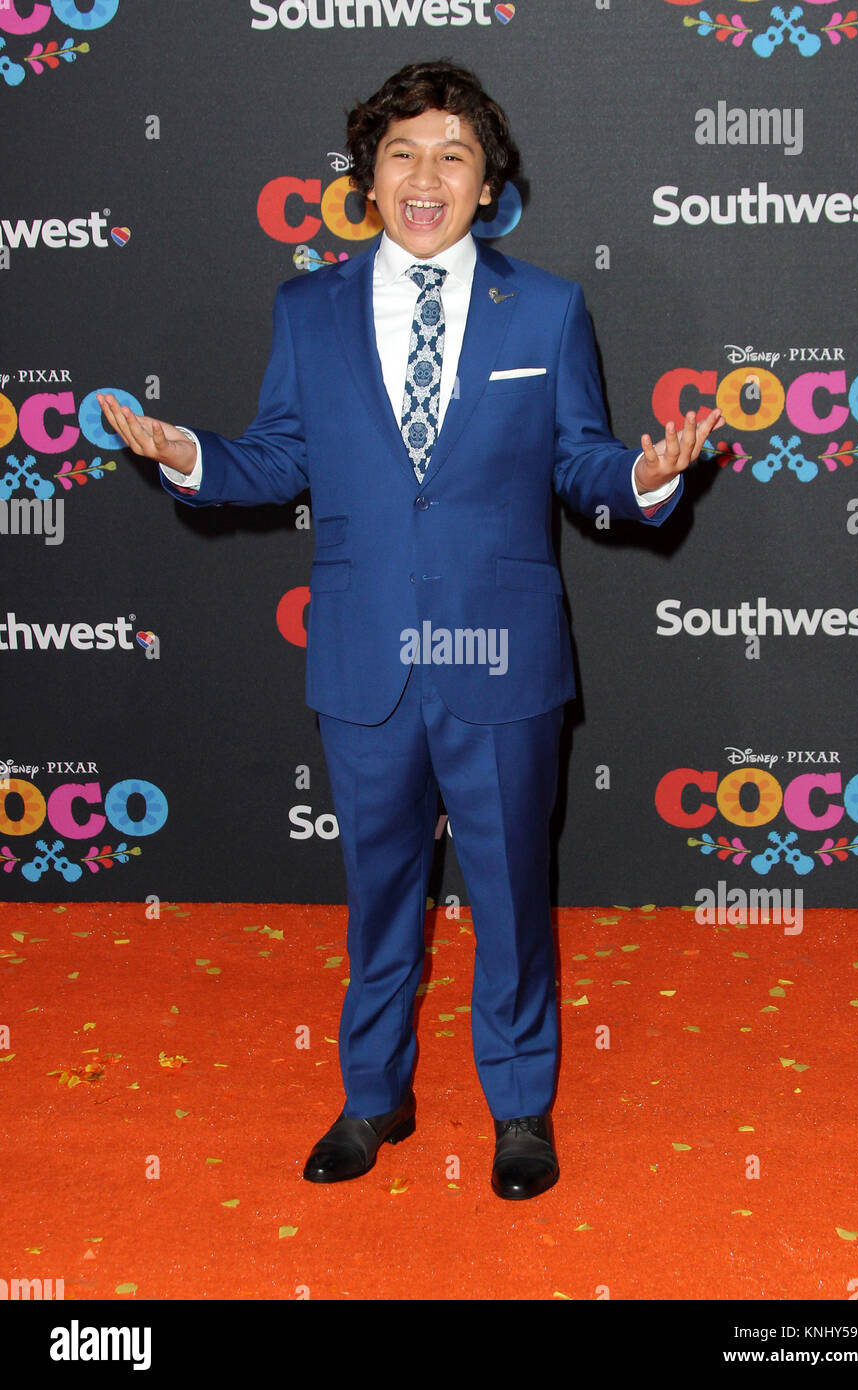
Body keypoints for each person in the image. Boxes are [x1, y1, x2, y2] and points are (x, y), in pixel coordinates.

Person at [97, 59, 723, 1202]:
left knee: (508, 895)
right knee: (379, 891)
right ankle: (372, 1093)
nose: (424, 177)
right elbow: (278, 454)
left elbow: (579, 457)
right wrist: (186, 452)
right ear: (366, 180)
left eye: (452, 156)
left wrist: (639, 470)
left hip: (502, 657)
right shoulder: (307, 308)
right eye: (401, 154)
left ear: (489, 186)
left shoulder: (544, 307)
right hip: (364, 654)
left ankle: (519, 1107)